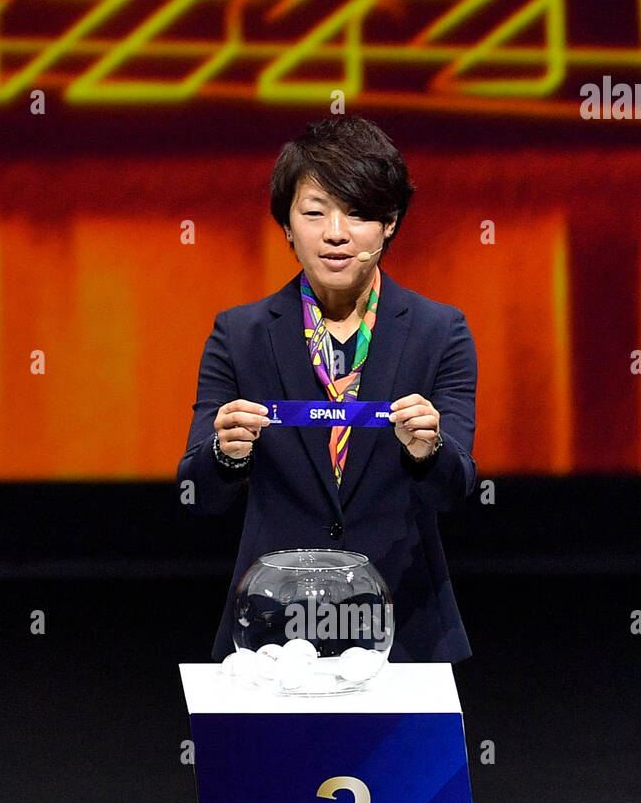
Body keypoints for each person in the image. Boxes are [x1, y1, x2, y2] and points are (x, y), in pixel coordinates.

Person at [177, 114, 479, 665]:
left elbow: (456, 491)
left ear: (390, 223)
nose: (336, 233)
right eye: (314, 213)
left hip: (406, 628)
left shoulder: (441, 331)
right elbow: (197, 495)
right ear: (288, 227)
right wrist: (224, 455)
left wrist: (428, 453)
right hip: (272, 628)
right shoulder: (240, 335)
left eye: (359, 213)